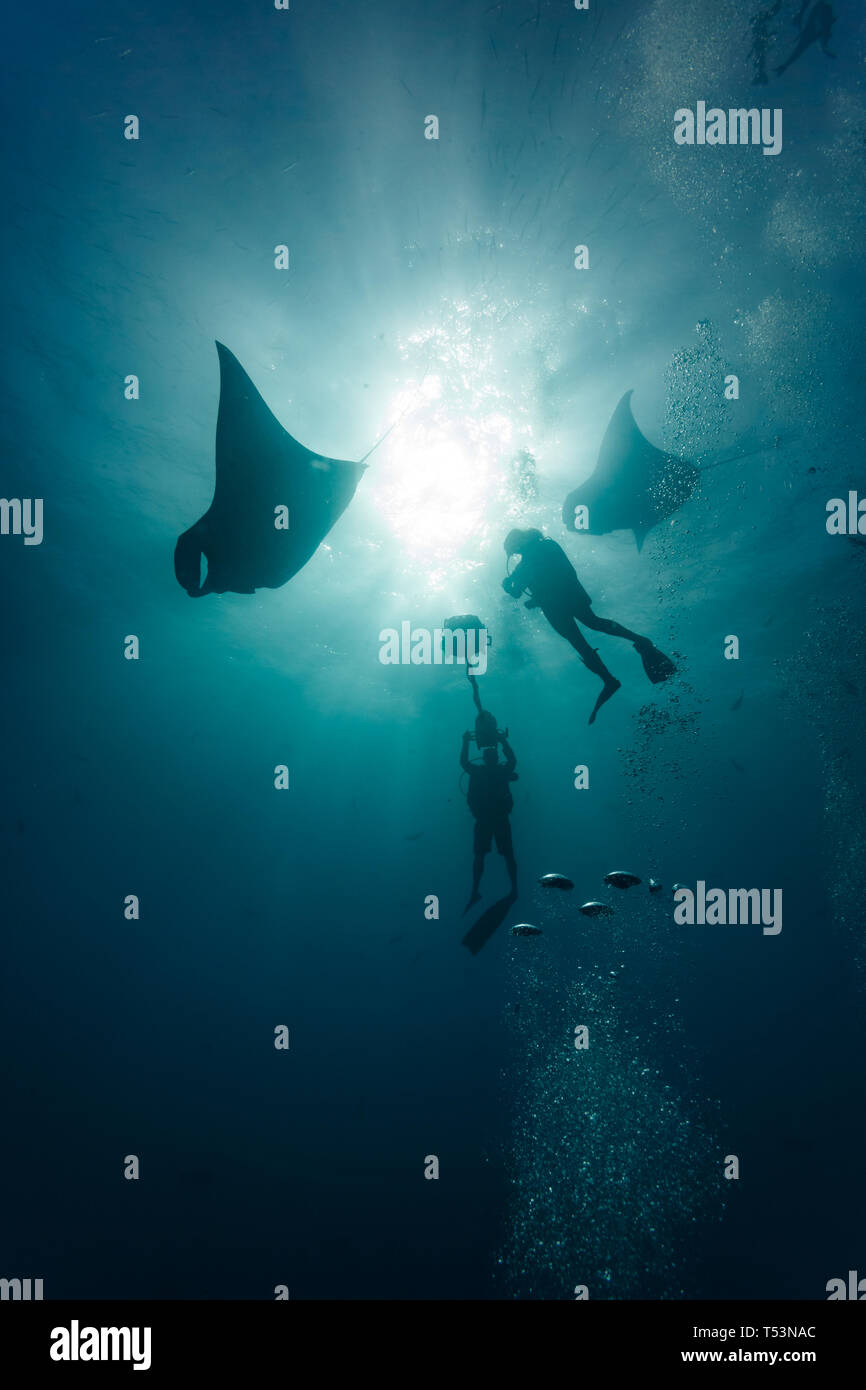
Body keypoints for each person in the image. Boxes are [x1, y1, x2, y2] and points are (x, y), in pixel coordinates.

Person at [502, 527, 676, 724]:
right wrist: (513, 588)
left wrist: (514, 586)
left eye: (514, 550)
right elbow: (523, 588)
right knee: (589, 630)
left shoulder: (540, 551)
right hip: (562, 601)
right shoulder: (537, 553)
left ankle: (614, 674)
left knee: (586, 634)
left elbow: (539, 579)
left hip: (561, 602)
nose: (516, 553)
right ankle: (614, 672)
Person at [460, 732, 518, 911]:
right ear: (490, 757)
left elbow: (464, 763)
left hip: (487, 819)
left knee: (483, 855)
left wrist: (465, 742)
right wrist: (502, 740)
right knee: (505, 855)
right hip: (497, 819)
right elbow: (512, 760)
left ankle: (476, 890)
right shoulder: (502, 771)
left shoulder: (479, 771)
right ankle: (512, 888)